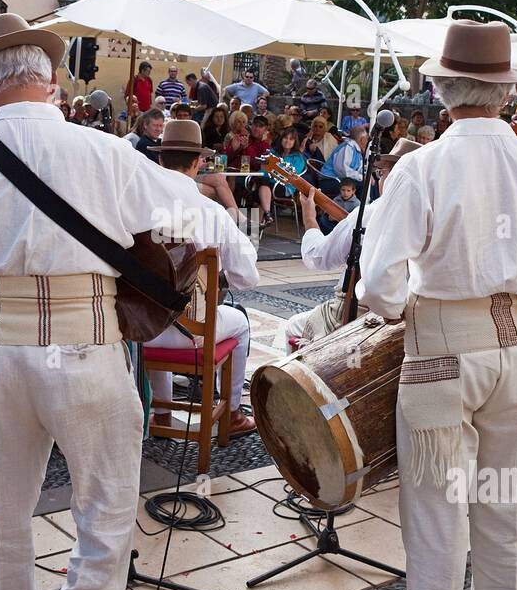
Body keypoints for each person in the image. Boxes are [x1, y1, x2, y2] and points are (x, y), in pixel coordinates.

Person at [0, 13, 190, 590]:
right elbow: (163, 231)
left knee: (0, 498)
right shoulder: (105, 150)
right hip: (82, 337)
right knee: (103, 493)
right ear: (49, 82)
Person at [353, 20, 517, 590]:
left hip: (440, 349)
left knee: (437, 503)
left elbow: (378, 284)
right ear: (504, 92)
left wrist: (405, 311)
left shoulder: (422, 166)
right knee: (504, 496)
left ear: (441, 89)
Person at [146, 120, 260, 435]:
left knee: (159, 311)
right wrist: (219, 275)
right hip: (192, 333)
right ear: (197, 164)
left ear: (160, 160)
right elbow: (247, 277)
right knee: (240, 322)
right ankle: (233, 413)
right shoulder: (213, 213)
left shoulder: (137, 207)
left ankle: (161, 413)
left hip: (140, 331)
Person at [281, 138, 422, 350]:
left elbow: (318, 257)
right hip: (417, 322)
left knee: (291, 327)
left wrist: (309, 219)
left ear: (395, 176)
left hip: (363, 321)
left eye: (381, 174)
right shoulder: (436, 215)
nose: (378, 180)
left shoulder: (368, 214)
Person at [251, 127, 305, 228]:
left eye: (291, 139)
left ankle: (255, 230)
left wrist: (272, 170)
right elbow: (263, 170)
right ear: (281, 139)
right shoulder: (273, 152)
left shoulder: (298, 158)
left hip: (284, 187)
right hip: (268, 183)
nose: (287, 141)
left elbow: (290, 177)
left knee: (259, 190)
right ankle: (266, 217)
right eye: (285, 138)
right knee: (262, 184)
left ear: (294, 142)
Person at [318, 124, 366, 198]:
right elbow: (343, 171)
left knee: (367, 183)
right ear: (362, 139)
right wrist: (361, 177)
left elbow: (359, 170)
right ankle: (358, 208)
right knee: (362, 186)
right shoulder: (348, 147)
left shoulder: (356, 150)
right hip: (329, 180)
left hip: (340, 180)